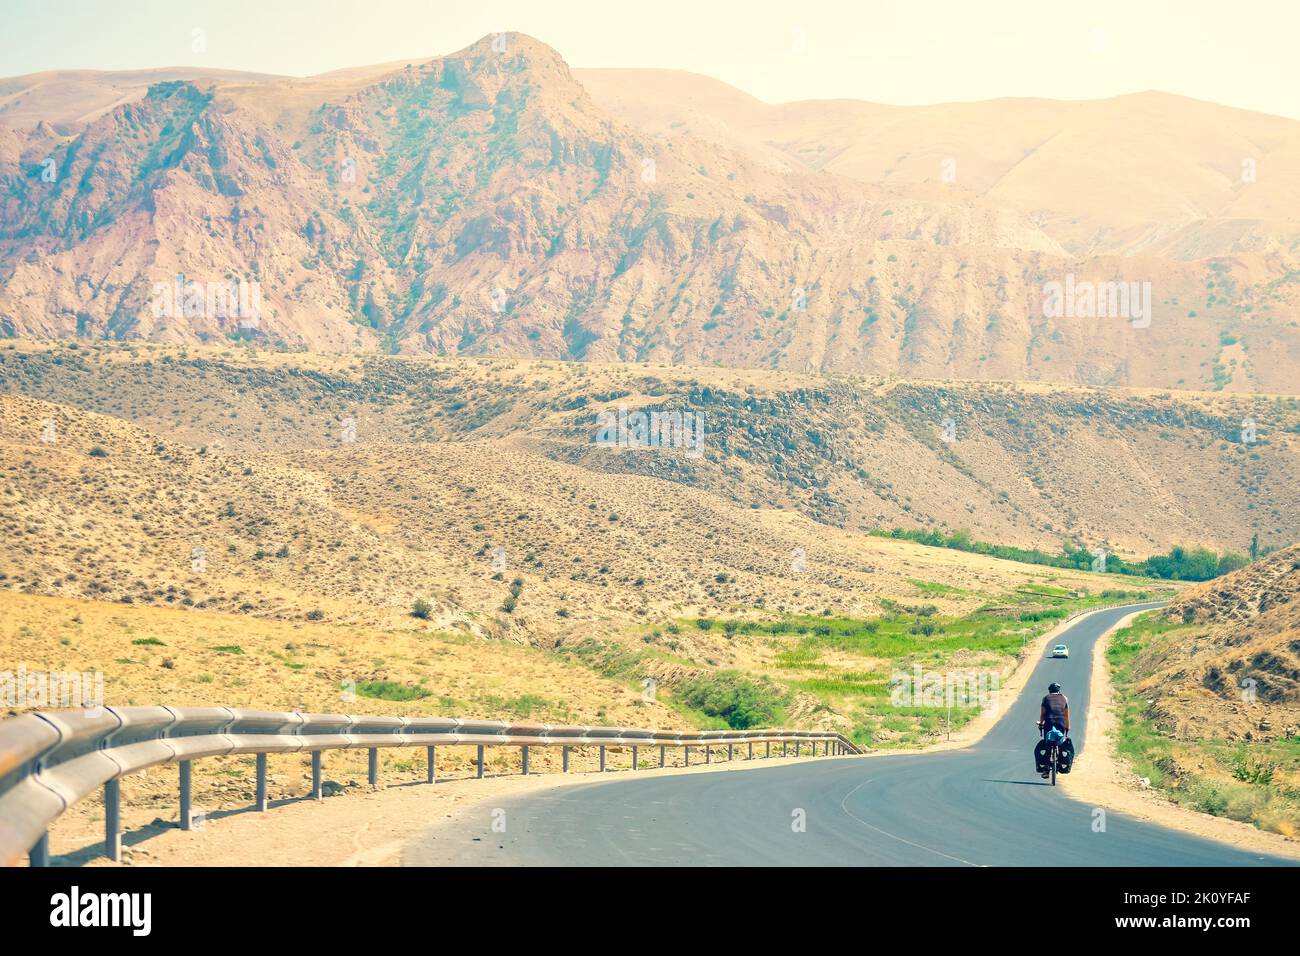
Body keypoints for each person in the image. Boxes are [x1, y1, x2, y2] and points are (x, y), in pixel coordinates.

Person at [1036, 682, 1070, 778]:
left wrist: (1041, 724)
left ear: (1049, 690)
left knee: (1048, 744)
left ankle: (1046, 769)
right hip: (1061, 723)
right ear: (1059, 691)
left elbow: (1042, 714)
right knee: (1060, 741)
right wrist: (1068, 727)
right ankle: (1059, 761)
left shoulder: (1046, 698)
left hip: (1049, 722)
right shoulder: (1064, 698)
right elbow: (1067, 716)